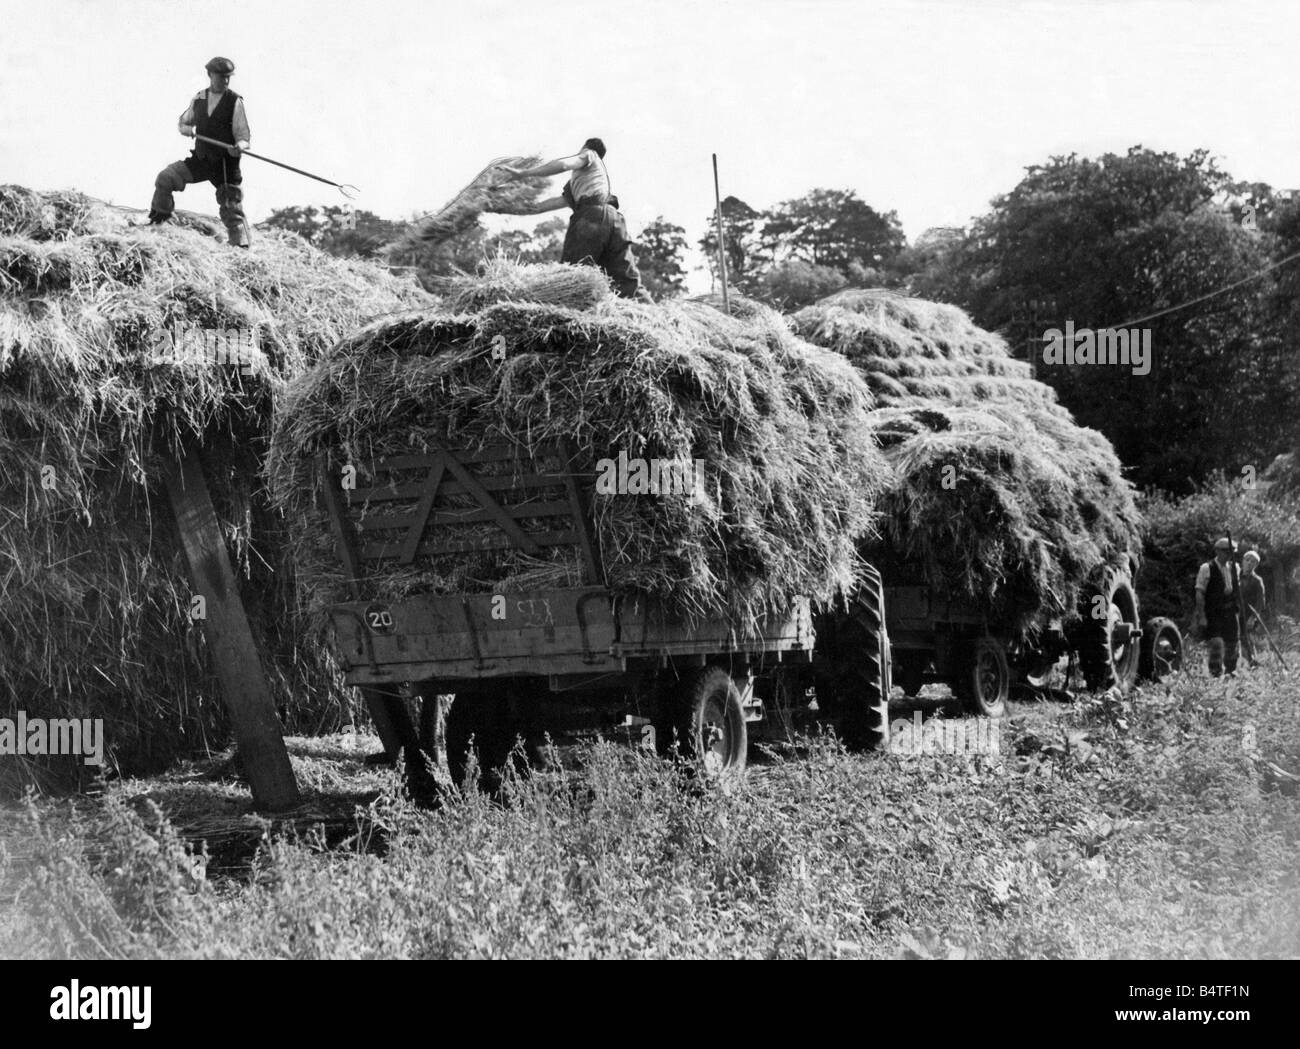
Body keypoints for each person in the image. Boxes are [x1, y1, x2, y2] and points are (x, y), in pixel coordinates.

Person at [495, 139, 648, 299]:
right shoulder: (586, 183)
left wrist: (522, 173)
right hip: (615, 220)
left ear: (584, 147)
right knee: (627, 279)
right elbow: (544, 206)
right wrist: (503, 208)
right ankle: (654, 316)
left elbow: (563, 165)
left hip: (592, 217)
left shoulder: (590, 154)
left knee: (571, 277)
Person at [147, 57, 252, 247]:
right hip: (202, 160)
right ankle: (159, 222)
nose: (225, 81)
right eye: (221, 77)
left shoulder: (234, 102)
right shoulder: (200, 98)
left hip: (225, 165)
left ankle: (242, 249)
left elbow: (244, 136)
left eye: (228, 77)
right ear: (210, 75)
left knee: (232, 209)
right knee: (166, 177)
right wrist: (186, 129)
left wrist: (240, 146)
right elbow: (184, 121)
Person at [1193, 537, 1243, 677]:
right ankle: (1215, 674)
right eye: (1226, 551)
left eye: (1231, 552)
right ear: (1217, 551)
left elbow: (1237, 589)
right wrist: (1202, 616)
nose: (1228, 555)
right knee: (1216, 643)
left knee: (1232, 643)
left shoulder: (1235, 568)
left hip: (1231, 611)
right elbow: (1199, 593)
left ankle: (1231, 673)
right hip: (1214, 611)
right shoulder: (1206, 568)